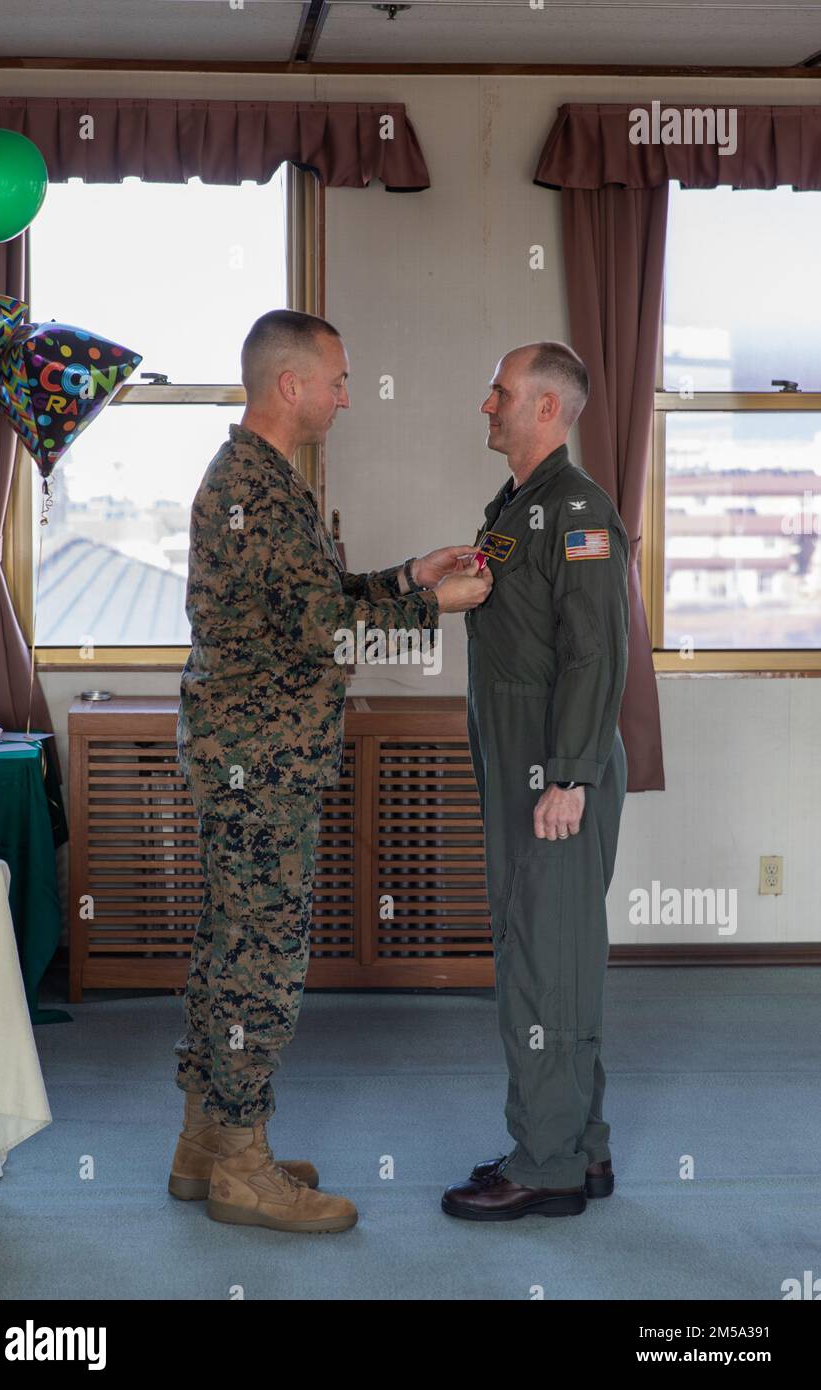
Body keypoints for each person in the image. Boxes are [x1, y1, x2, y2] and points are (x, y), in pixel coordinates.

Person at [169, 309, 492, 1234]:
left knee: (232, 942)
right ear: (291, 386)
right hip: (257, 765)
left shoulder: (263, 480)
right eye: (339, 379)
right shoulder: (255, 489)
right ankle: (241, 1164)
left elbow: (308, 604)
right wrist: (439, 605)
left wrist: (404, 578)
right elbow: (325, 635)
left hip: (254, 756)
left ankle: (206, 1142)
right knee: (259, 958)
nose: (348, 395)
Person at [441, 341, 630, 1221]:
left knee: (544, 965)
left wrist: (570, 778)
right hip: (524, 761)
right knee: (549, 952)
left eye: (501, 391)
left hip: (556, 770)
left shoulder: (581, 511)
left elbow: (597, 655)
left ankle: (546, 1164)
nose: (487, 404)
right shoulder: (519, 506)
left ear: (548, 408)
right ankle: (578, 1148)